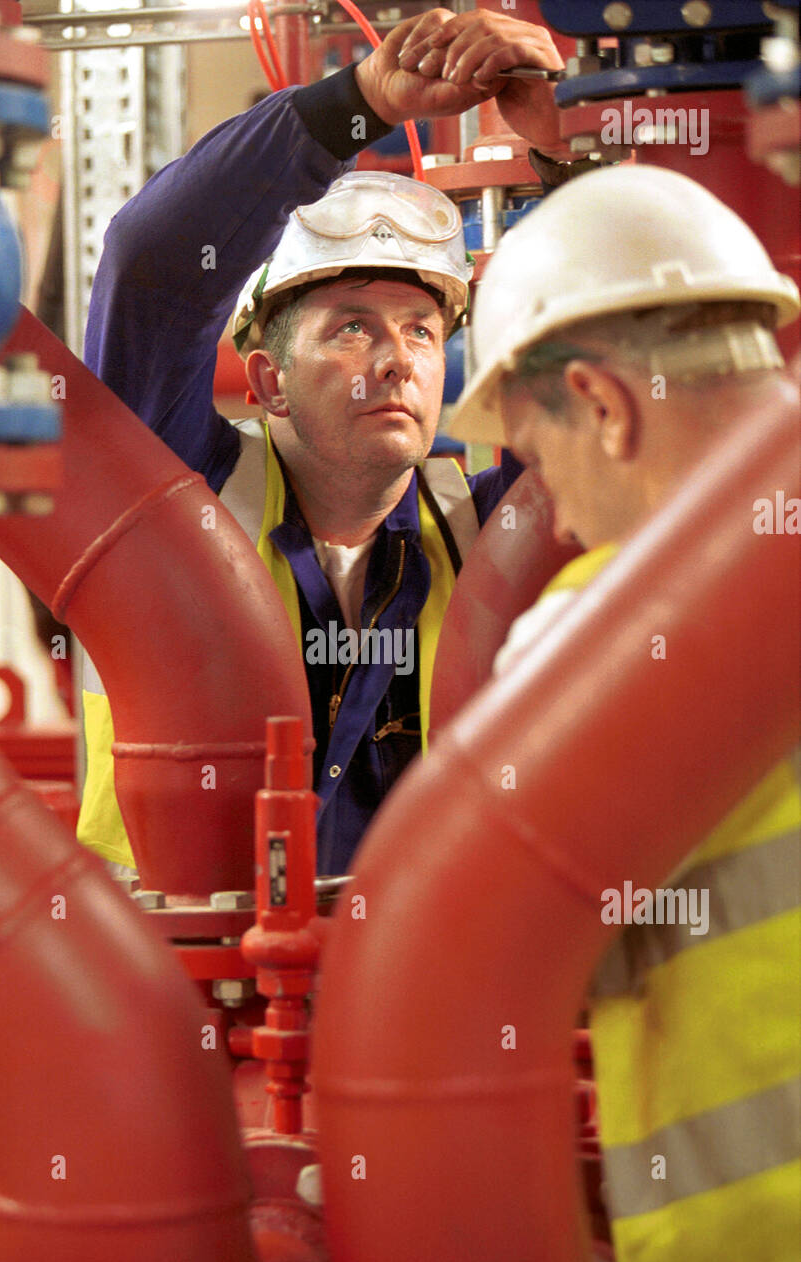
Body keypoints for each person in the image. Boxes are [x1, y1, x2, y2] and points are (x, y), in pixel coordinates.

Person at [77, 7, 594, 876]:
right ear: (269, 380)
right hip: (187, 986)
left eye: (423, 332)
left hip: (417, 984)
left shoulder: (493, 530)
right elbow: (154, 266)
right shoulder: (177, 502)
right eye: (352, 329)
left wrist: (567, 156)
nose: (396, 361)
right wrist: (360, 103)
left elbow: (632, 370)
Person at [450, 162, 801, 1262]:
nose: (550, 507)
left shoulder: (602, 623)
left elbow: (476, 962)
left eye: (539, 463)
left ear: (603, 406)